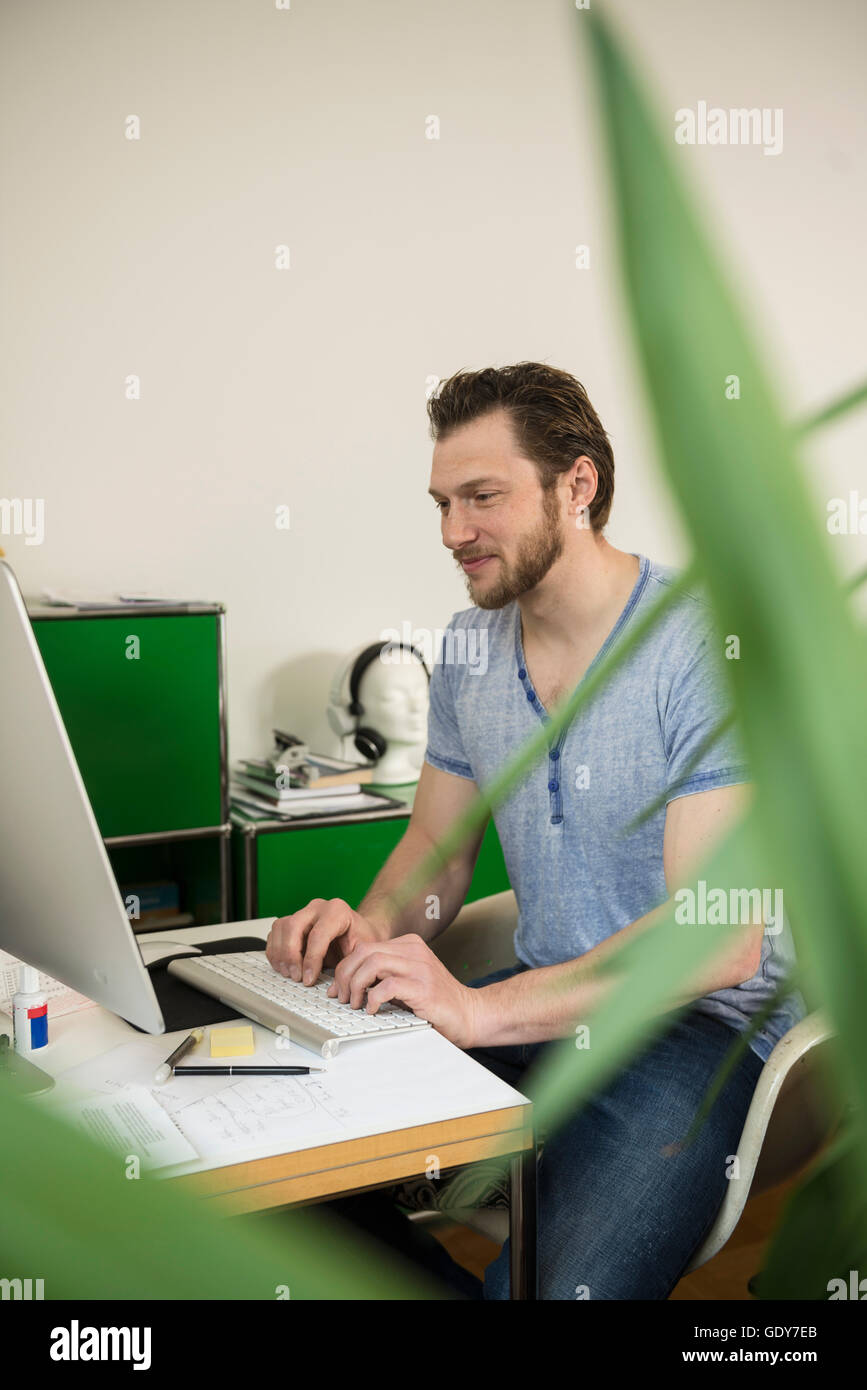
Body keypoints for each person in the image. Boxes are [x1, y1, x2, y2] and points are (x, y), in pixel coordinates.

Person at [265, 362, 803, 1299]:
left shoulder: (701, 640)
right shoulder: (470, 648)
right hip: (541, 1005)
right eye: (440, 502)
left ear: (577, 486)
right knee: (278, 1181)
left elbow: (718, 937)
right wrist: (373, 928)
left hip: (700, 1036)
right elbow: (437, 854)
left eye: (481, 497)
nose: (451, 532)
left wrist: (476, 1011)